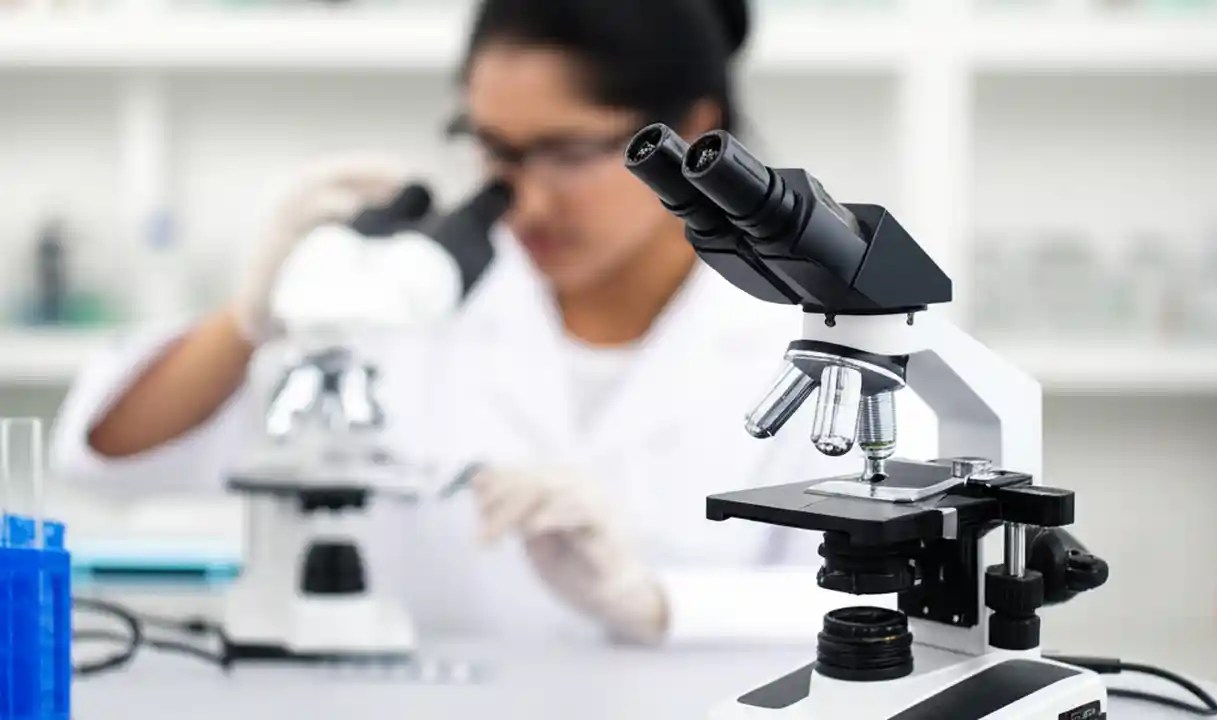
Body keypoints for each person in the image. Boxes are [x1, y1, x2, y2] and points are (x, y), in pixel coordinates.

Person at [53, 0, 935, 644]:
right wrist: (257, 315)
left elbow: (916, 603)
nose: (526, 196)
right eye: (497, 150)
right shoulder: (418, 297)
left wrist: (656, 601)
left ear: (693, 131)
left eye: (567, 151)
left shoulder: (822, 332)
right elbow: (113, 456)